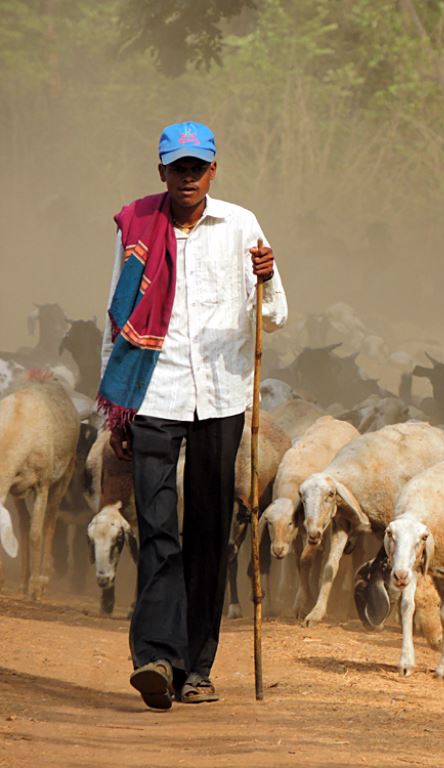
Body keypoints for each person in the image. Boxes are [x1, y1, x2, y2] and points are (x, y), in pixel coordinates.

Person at [97, 121, 287, 709]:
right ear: (161, 170)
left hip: (223, 398)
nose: (187, 176)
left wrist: (266, 279)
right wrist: (117, 411)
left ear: (213, 170)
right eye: (176, 166)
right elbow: (118, 316)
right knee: (157, 528)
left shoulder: (241, 226)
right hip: (156, 395)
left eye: (196, 167)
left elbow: (275, 314)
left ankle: (196, 667)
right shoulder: (138, 227)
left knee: (208, 532)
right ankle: (155, 656)